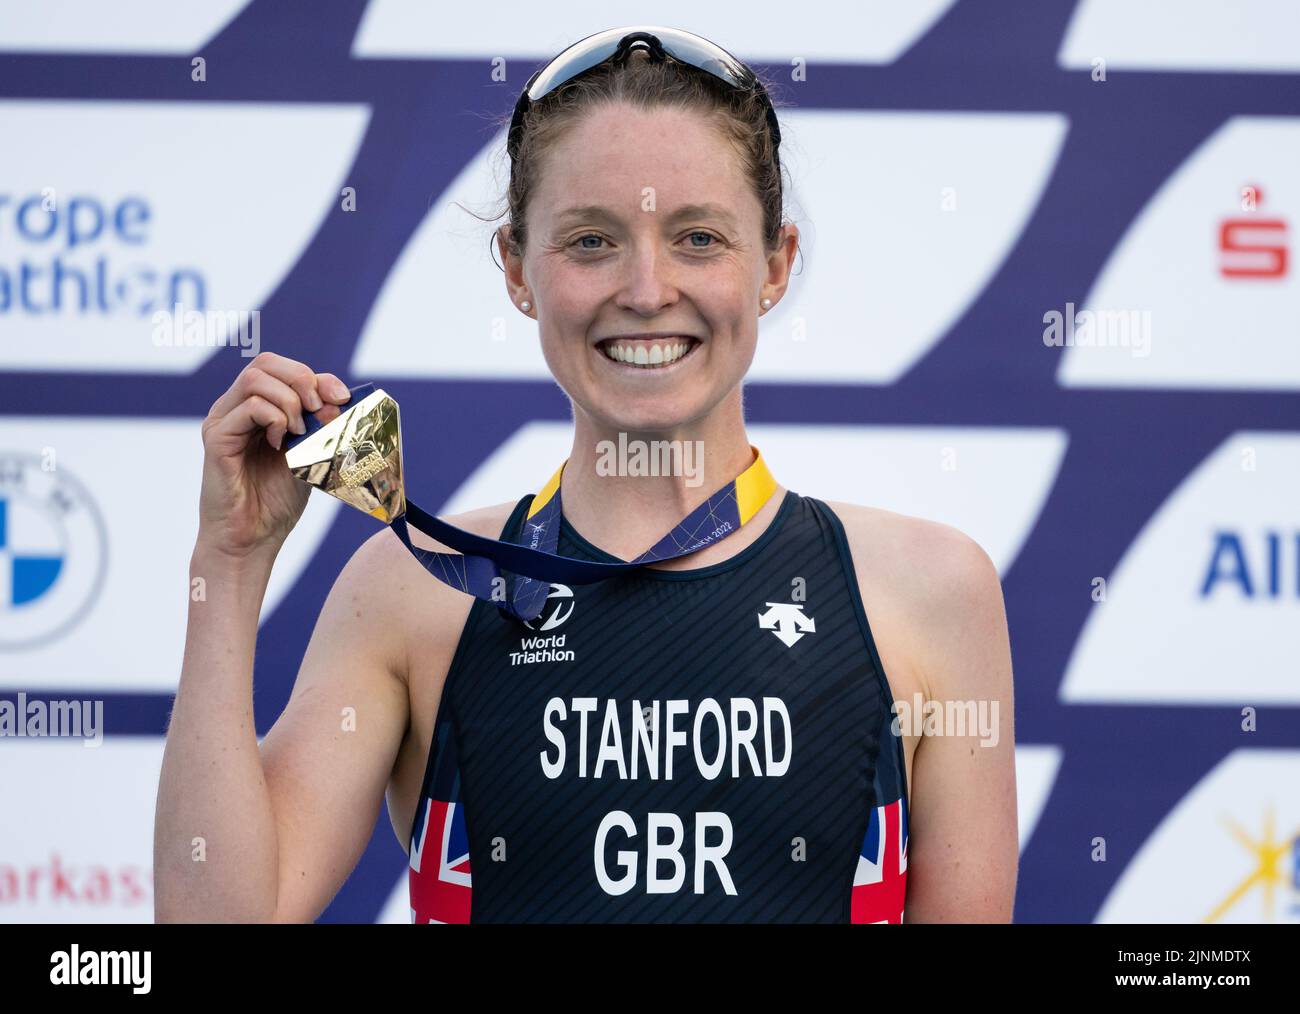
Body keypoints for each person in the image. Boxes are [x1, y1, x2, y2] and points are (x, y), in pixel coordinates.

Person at [154, 26, 1017, 924]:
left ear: (775, 265)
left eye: (698, 237)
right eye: (593, 241)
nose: (646, 289)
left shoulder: (929, 592)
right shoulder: (416, 591)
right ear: (518, 270)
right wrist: (230, 561)